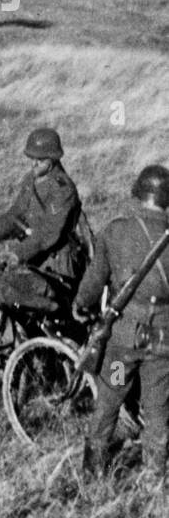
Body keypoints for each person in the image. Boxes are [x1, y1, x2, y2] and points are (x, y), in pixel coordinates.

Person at [76, 165, 169, 479]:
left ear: (138, 194)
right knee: (157, 410)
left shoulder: (116, 230)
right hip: (163, 342)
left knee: (109, 401)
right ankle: (154, 479)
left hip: (124, 343)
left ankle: (93, 475)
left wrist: (80, 305)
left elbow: (94, 281)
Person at [0, 128, 85, 298]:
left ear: (52, 160)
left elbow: (48, 233)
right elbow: (12, 219)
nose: (33, 164)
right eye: (32, 158)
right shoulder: (31, 180)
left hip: (55, 263)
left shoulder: (63, 190)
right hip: (31, 257)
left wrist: (19, 254)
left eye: (40, 160)